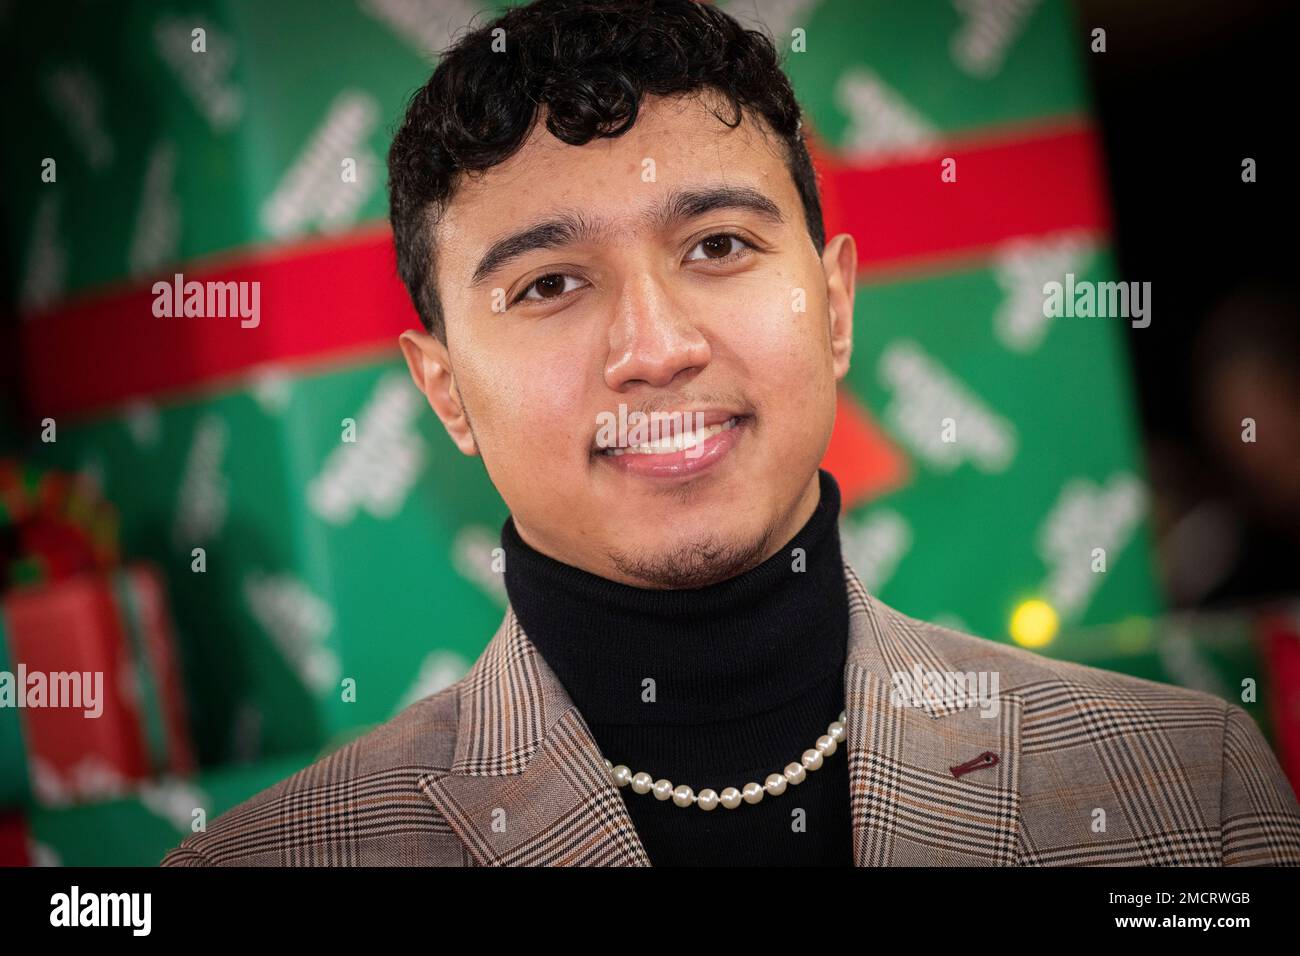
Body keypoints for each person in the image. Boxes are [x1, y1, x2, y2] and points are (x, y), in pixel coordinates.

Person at [162, 0, 1300, 867]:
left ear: (836, 305)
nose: (654, 345)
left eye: (715, 245)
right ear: (446, 389)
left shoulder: (1179, 786)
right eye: (551, 281)